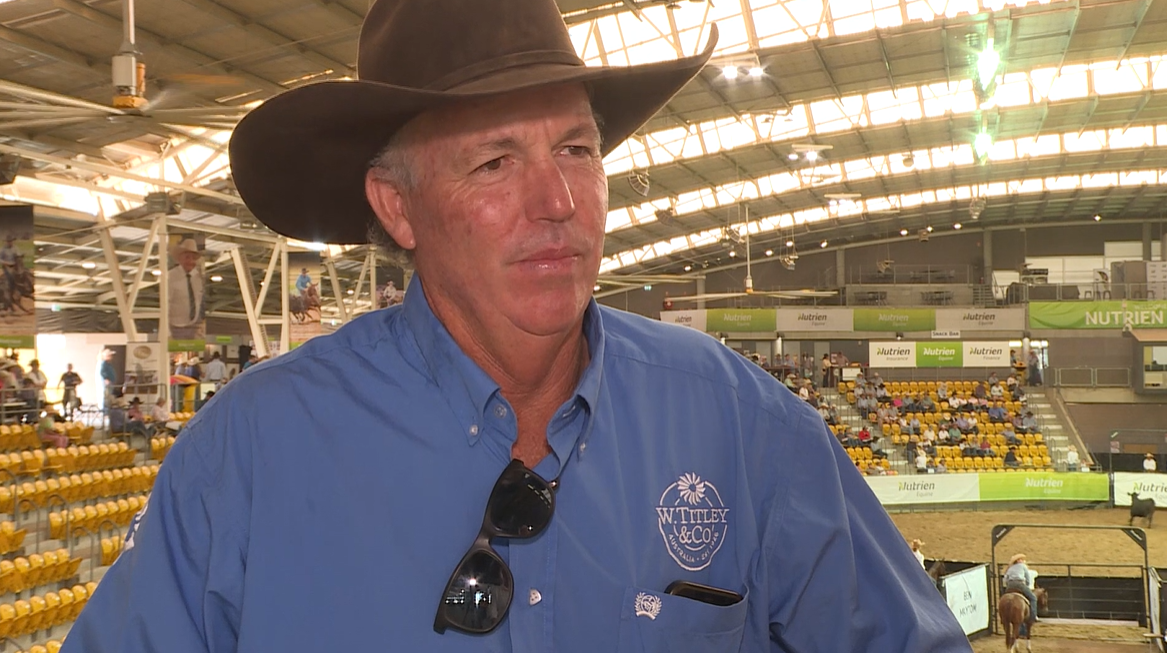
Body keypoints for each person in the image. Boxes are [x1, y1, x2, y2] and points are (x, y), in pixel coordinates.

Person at [62, 2, 968, 651]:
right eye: (495, 161)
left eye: (576, 149)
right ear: (398, 206)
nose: (558, 200)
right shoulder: (251, 450)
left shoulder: (745, 425)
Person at [167, 238, 205, 340]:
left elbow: (199, 300)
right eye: (187, 257)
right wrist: (167, 331)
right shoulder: (170, 276)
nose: (191, 261)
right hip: (175, 326)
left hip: (194, 326)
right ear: (179, 259)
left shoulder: (198, 277)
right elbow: (166, 303)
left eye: (193, 258)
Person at [1002, 554, 1040, 623]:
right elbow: (1027, 577)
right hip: (1020, 584)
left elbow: (1005, 579)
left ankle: (1003, 617)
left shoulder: (1010, 568)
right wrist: (1027, 585)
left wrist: (1008, 585)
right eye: (1021, 559)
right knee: (1033, 598)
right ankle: (1033, 616)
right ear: (1018, 560)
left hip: (1010, 585)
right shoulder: (1023, 566)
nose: (1022, 560)